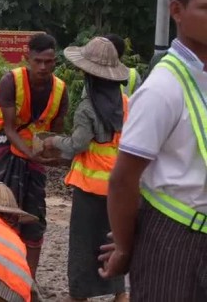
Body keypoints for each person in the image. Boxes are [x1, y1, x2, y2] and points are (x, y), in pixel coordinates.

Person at [99, 0, 207, 301]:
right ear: (177, 11)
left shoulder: (201, 79)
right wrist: (125, 247)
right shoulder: (163, 88)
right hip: (173, 240)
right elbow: (123, 179)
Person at [40, 37, 130, 302]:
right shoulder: (125, 102)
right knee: (112, 239)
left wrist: (53, 142)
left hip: (90, 187)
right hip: (118, 186)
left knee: (82, 243)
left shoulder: (87, 108)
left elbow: (77, 145)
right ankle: (120, 293)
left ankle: (79, 295)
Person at [0, 33, 69, 278]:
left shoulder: (60, 90)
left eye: (48, 62)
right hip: (4, 147)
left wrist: (55, 156)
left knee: (34, 215)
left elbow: (55, 132)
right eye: (38, 61)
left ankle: (28, 279)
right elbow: (10, 129)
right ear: (27, 58)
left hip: (35, 153)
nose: (43, 67)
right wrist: (31, 154)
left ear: (55, 61)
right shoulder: (11, 81)